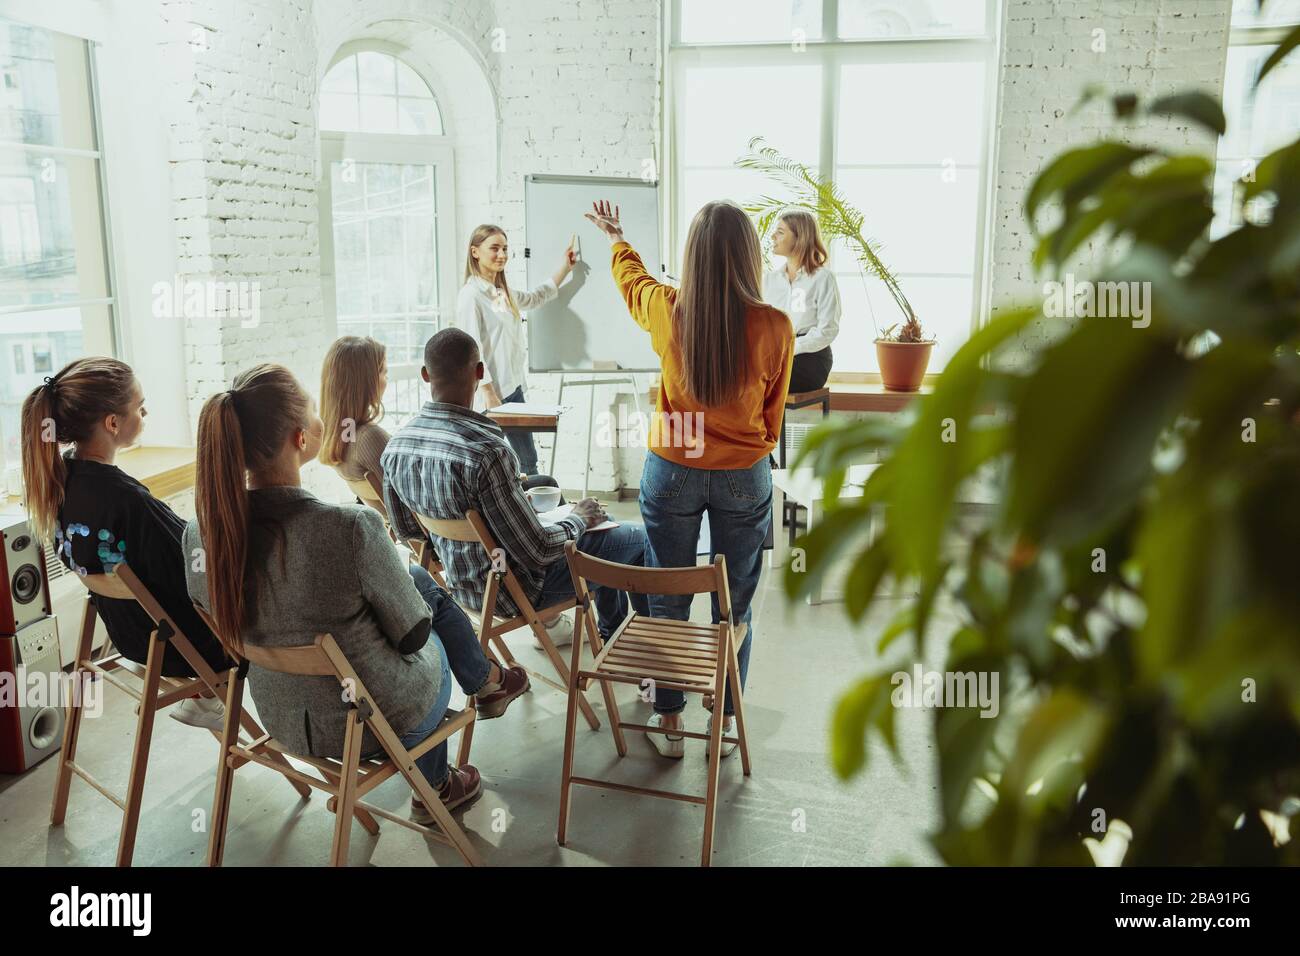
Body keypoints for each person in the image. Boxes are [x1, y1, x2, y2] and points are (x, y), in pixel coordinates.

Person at [184, 364, 511, 821]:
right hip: (370, 723)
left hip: (281, 719)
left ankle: (483, 689)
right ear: (301, 438)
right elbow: (413, 638)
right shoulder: (349, 528)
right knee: (429, 611)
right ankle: (440, 777)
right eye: (314, 410)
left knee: (412, 586)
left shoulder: (200, 535)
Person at [586, 198, 793, 759]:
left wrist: (615, 238)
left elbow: (633, 280)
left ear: (692, 259)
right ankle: (724, 723)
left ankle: (669, 719)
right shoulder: (775, 326)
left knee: (667, 595)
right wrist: (749, 450)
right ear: (749, 257)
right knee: (736, 604)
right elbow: (774, 415)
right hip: (743, 476)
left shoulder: (667, 309)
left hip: (672, 471)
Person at [380, 328, 651, 650]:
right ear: (479, 372)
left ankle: (613, 635)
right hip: (519, 592)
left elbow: (410, 532)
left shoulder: (396, 445)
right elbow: (537, 551)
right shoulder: (488, 451)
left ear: (425, 375)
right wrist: (578, 518)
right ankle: (638, 645)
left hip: (461, 587)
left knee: (602, 536)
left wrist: (468, 542)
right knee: (639, 539)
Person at [19, 358, 228, 730]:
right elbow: (194, 569)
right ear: (113, 423)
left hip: (133, 641)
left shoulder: (59, 483)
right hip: (188, 651)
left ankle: (206, 696)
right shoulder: (128, 501)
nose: (145, 412)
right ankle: (211, 695)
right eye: (140, 406)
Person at [454, 223, 576, 475]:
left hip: (512, 388)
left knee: (527, 460)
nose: (502, 255)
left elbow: (534, 298)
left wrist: (565, 268)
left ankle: (530, 510)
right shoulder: (471, 296)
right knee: (498, 463)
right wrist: (488, 392)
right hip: (492, 395)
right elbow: (470, 349)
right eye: (495, 248)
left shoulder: (500, 293)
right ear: (475, 252)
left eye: (505, 249)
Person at [762, 210, 841, 393]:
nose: (773, 236)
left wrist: (791, 348)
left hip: (810, 359)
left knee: (763, 382)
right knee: (747, 376)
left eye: (780, 232)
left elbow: (827, 331)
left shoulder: (823, 278)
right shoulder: (769, 280)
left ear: (800, 238)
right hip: (776, 355)